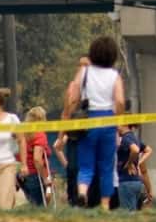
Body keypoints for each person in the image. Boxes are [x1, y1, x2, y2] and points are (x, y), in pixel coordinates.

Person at [64, 38, 125, 210]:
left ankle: (82, 192)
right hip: (108, 120)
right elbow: (120, 101)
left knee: (85, 163)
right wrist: (118, 119)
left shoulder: (84, 73)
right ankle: (105, 205)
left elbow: (74, 98)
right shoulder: (115, 76)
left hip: (88, 120)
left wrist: (70, 115)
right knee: (106, 165)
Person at [54, 56, 92, 207]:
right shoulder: (72, 87)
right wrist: (60, 137)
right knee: (72, 168)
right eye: (80, 65)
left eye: (86, 65)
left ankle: (90, 200)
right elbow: (66, 113)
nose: (82, 68)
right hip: (74, 137)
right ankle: (74, 201)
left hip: (91, 136)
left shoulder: (97, 88)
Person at [19, 107, 53, 207]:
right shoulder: (40, 135)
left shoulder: (22, 133)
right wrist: (45, 178)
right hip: (36, 175)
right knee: (39, 206)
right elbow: (37, 159)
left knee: (35, 202)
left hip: (23, 175)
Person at [116, 124, 150, 211]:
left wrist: (129, 163)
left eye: (117, 124)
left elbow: (135, 150)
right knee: (133, 211)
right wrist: (138, 162)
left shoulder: (125, 138)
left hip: (126, 182)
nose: (116, 127)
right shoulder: (135, 138)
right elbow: (148, 150)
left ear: (124, 124)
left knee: (128, 215)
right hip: (137, 182)